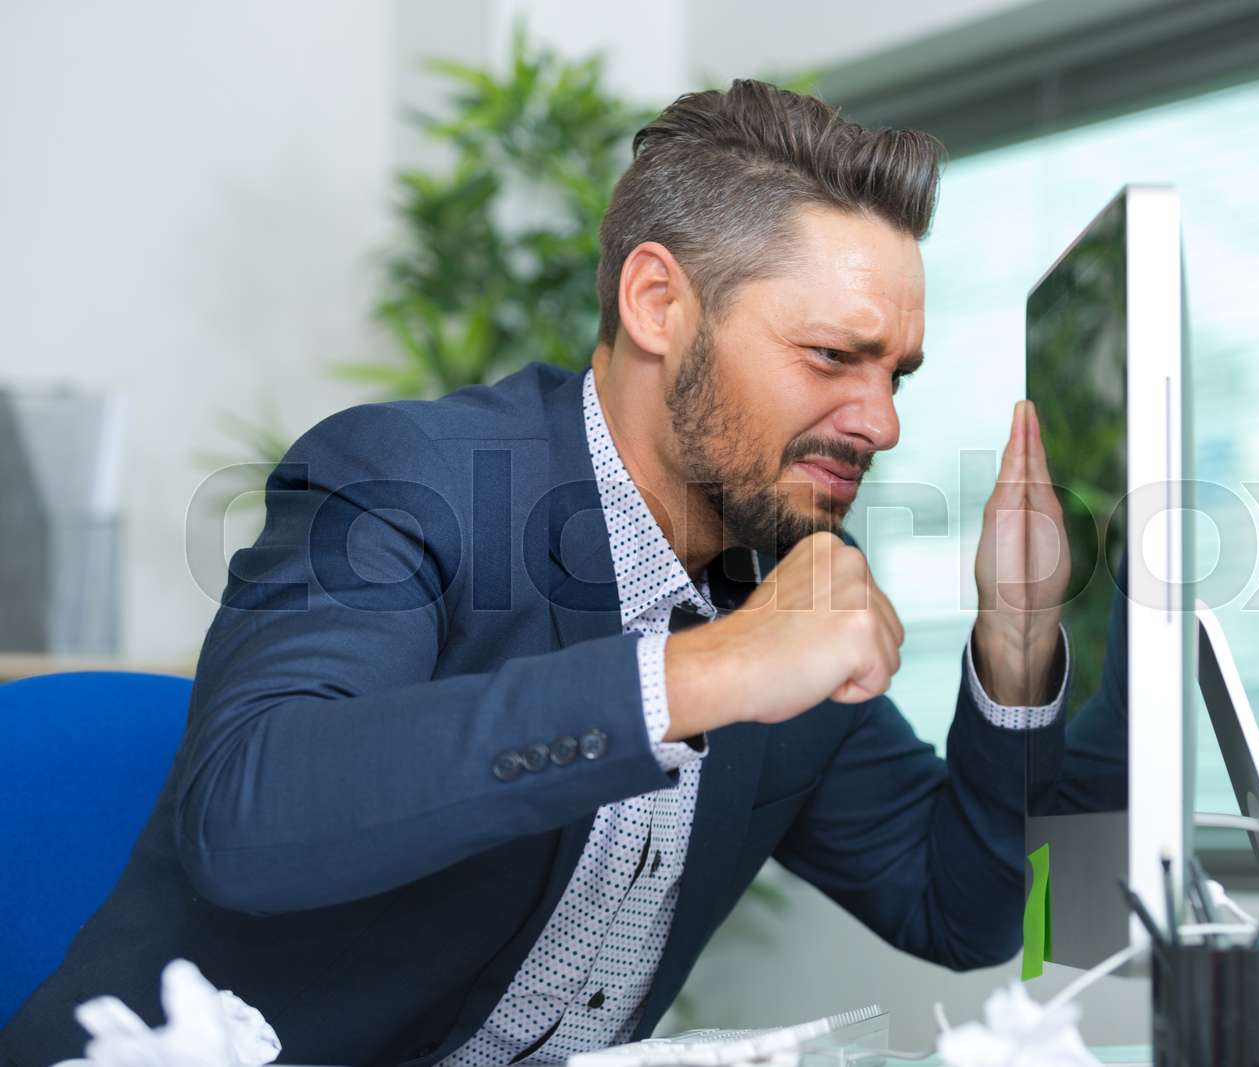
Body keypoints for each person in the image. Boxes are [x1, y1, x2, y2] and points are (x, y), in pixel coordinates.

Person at [0, 80, 1074, 1067]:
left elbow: (961, 908)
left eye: (896, 373)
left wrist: (1016, 643)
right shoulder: (411, 478)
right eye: (833, 356)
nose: (881, 421)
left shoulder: (783, 587)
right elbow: (248, 811)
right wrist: (696, 676)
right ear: (658, 303)